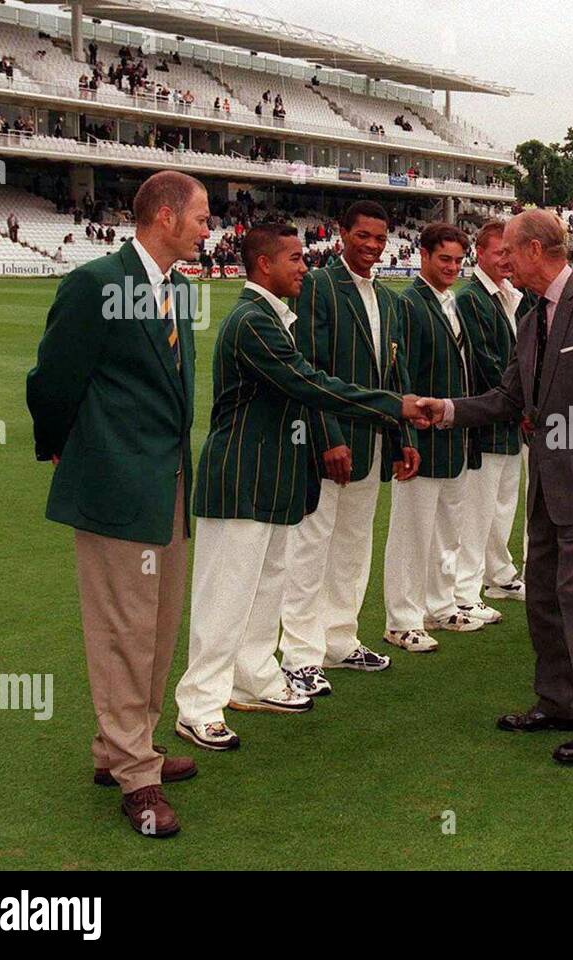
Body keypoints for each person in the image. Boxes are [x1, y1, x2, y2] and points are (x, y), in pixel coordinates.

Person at [416, 210, 573, 764]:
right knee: (544, 592)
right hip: (549, 480)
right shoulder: (532, 316)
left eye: (507, 252)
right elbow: (508, 397)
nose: (501, 261)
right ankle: (559, 703)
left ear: (532, 250)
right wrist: (447, 410)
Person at [175, 223, 424, 752]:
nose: (304, 269)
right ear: (264, 264)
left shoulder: (273, 319)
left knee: (267, 587)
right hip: (241, 479)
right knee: (225, 597)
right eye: (295, 259)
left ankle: (255, 676)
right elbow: (310, 384)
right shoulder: (252, 321)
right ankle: (198, 704)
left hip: (274, 481)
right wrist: (393, 406)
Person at [25, 171, 212, 838]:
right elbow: (52, 379)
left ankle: (121, 749)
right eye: (200, 216)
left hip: (167, 485)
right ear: (165, 217)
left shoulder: (180, 291)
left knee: (159, 628)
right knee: (123, 632)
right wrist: (60, 444)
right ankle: (138, 775)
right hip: (113, 486)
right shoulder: (97, 284)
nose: (206, 228)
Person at [278, 201, 416, 698]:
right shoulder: (316, 286)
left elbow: (394, 376)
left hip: (374, 442)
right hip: (330, 443)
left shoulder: (388, 298)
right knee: (311, 548)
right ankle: (298, 655)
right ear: (341, 234)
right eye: (363, 236)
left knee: (354, 546)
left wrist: (403, 439)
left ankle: (340, 638)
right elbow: (307, 368)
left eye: (380, 238)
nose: (373, 246)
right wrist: (328, 436)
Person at [383, 223, 480, 651]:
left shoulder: (452, 302)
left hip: (453, 435)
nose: (453, 268)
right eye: (445, 259)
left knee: (446, 528)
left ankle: (439, 605)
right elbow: (401, 375)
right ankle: (402, 619)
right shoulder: (409, 303)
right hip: (421, 435)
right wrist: (405, 434)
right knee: (411, 532)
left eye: (459, 261)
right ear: (422, 255)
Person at [452, 220, 527, 615]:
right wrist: (525, 402)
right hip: (487, 418)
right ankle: (465, 592)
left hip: (510, 419)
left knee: (503, 504)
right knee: (477, 509)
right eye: (498, 252)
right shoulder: (472, 299)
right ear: (479, 252)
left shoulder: (510, 295)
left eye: (509, 252)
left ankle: (499, 574)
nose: (505, 260)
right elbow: (488, 364)